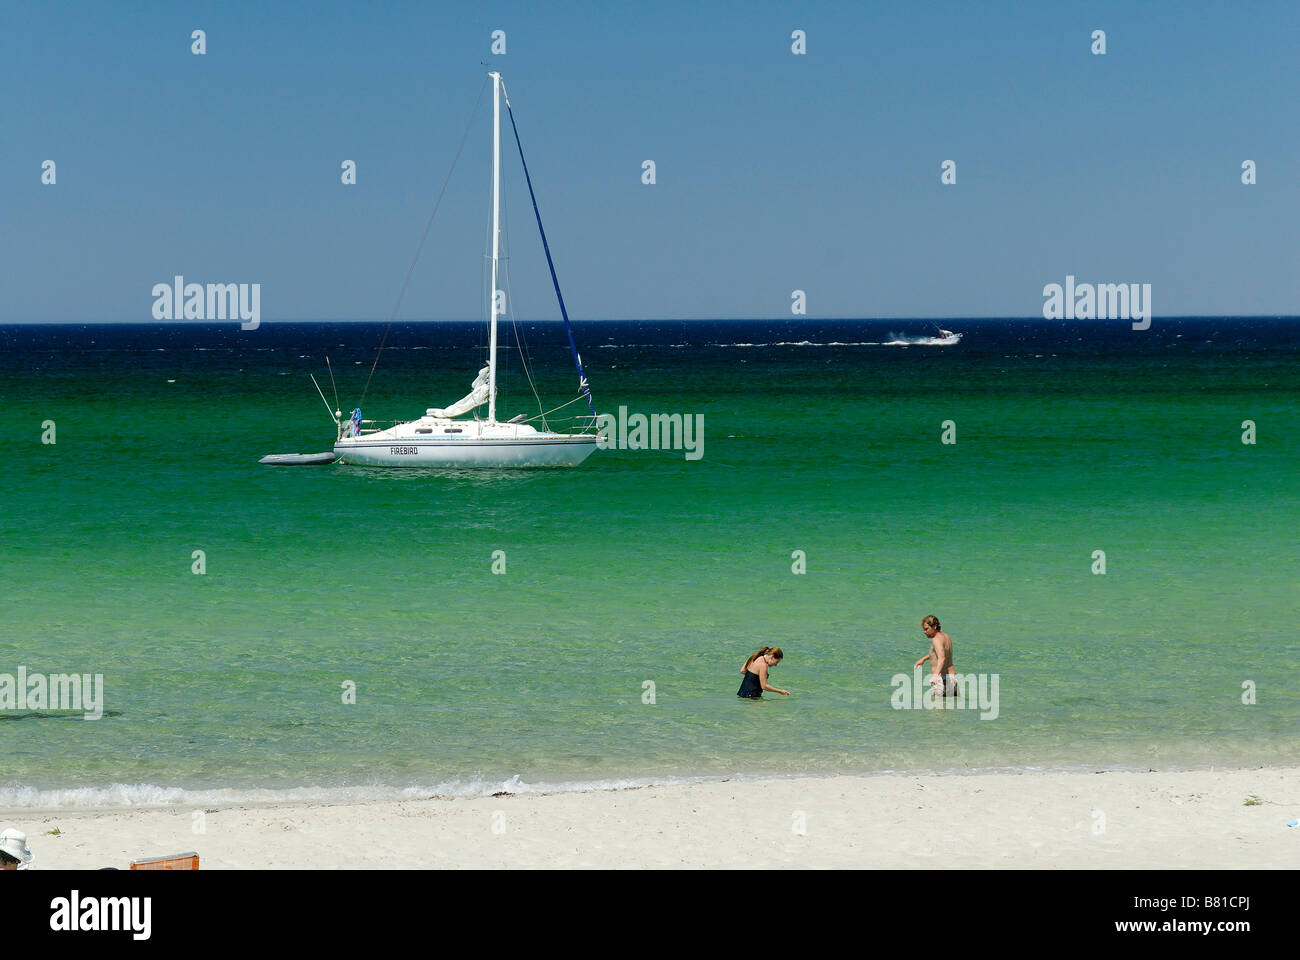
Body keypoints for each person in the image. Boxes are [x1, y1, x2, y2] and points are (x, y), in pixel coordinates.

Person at [914, 615, 956, 697]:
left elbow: (942, 658)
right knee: (949, 708)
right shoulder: (946, 636)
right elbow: (941, 653)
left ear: (935, 627)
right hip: (952, 678)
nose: (924, 632)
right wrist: (923, 659)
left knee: (936, 708)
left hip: (941, 680)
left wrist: (935, 675)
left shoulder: (936, 639)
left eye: (926, 629)